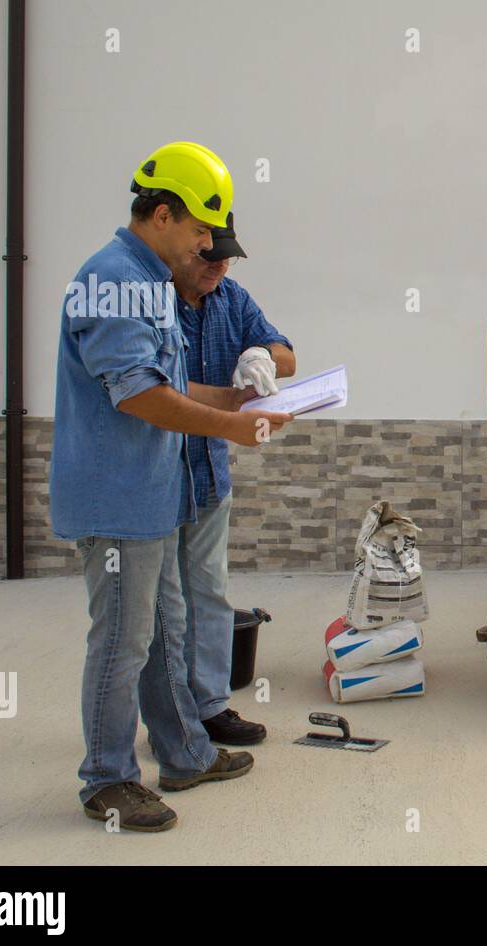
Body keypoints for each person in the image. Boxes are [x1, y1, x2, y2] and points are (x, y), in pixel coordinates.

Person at [50, 141, 292, 832]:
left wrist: (241, 407)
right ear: (162, 216)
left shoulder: (149, 279)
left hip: (149, 496)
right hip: (115, 499)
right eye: (199, 233)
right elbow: (136, 395)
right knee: (123, 641)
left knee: (163, 632)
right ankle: (107, 778)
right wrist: (234, 428)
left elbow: (174, 386)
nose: (206, 247)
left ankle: (184, 753)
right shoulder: (113, 280)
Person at [171, 212, 295, 745]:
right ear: (182, 245)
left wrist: (260, 353)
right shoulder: (155, 301)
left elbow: (288, 355)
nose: (219, 264)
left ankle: (211, 707)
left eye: (227, 255)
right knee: (163, 606)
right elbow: (158, 386)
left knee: (210, 593)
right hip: (158, 475)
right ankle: (170, 718)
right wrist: (229, 401)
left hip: (209, 476)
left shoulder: (232, 299)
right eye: (208, 254)